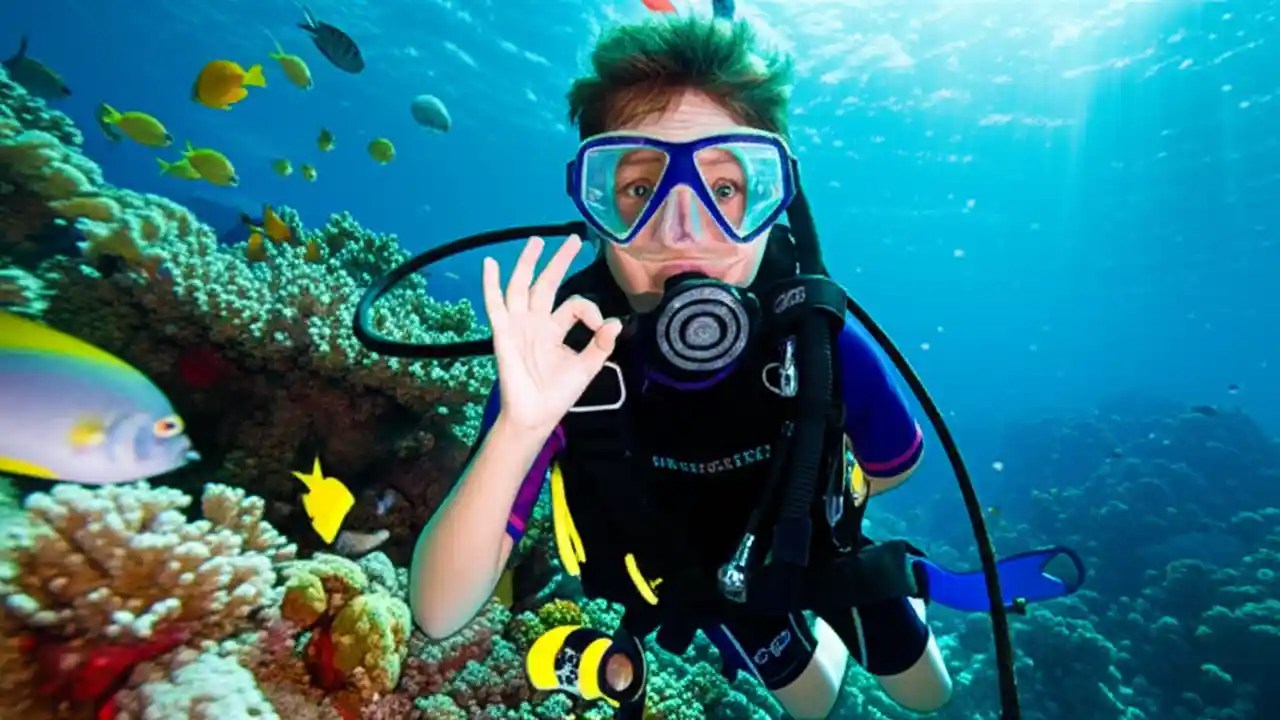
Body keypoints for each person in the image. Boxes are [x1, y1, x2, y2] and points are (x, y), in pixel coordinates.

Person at [408, 14, 1079, 720]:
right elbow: (438, 610)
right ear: (596, 204)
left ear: (772, 200)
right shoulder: (563, 366)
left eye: (725, 190)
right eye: (638, 189)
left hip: (817, 551)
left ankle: (855, 619)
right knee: (815, 705)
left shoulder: (817, 339)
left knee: (928, 693)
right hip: (695, 584)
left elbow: (894, 464)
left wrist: (803, 504)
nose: (682, 227)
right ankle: (792, 633)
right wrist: (521, 429)